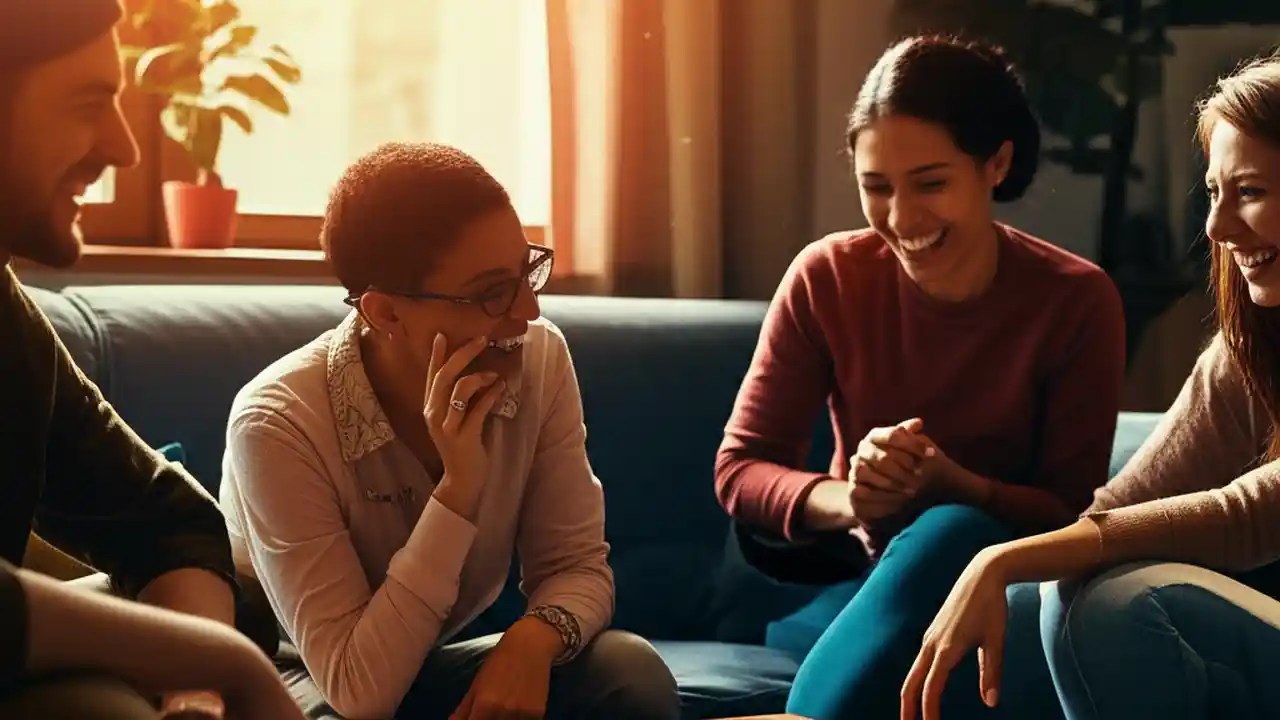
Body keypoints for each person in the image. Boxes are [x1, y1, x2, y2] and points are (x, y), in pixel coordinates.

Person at [715, 35, 1125, 719]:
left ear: (996, 163)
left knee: (953, 527)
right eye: (876, 188)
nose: (901, 220)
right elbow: (742, 468)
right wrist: (855, 500)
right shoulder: (829, 277)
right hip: (869, 588)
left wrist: (952, 486)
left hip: (1008, 597)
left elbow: (1066, 514)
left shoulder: (1077, 300)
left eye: (931, 184)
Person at [220, 142, 680, 720]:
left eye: (526, 272)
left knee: (625, 671)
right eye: (492, 292)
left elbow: (576, 567)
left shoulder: (538, 359)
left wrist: (531, 642)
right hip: (302, 679)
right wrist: (458, 488)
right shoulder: (277, 422)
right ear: (385, 314)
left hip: (424, 661)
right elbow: (359, 690)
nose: (528, 312)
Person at [903, 53, 1280, 720]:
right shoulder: (1248, 351)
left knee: (1110, 603)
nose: (1218, 231)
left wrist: (1001, 558)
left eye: (1248, 192)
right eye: (1215, 194)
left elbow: (1247, 514)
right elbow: (1120, 508)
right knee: (1036, 600)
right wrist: (1021, 571)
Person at [0, 2, 305, 718]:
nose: (126, 149)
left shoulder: (9, 321)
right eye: (88, 104)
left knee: (241, 592)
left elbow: (168, 522)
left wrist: (194, 694)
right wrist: (221, 661)